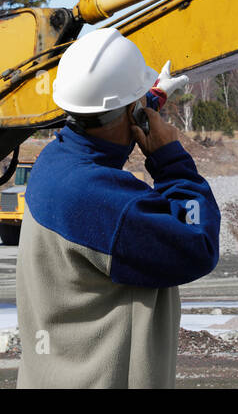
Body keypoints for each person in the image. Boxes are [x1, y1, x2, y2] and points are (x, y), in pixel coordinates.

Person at [15, 27, 220, 388]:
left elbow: (104, 121)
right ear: (128, 113)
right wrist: (171, 161)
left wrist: (148, 101)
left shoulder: (55, 163)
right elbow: (198, 241)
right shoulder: (105, 201)